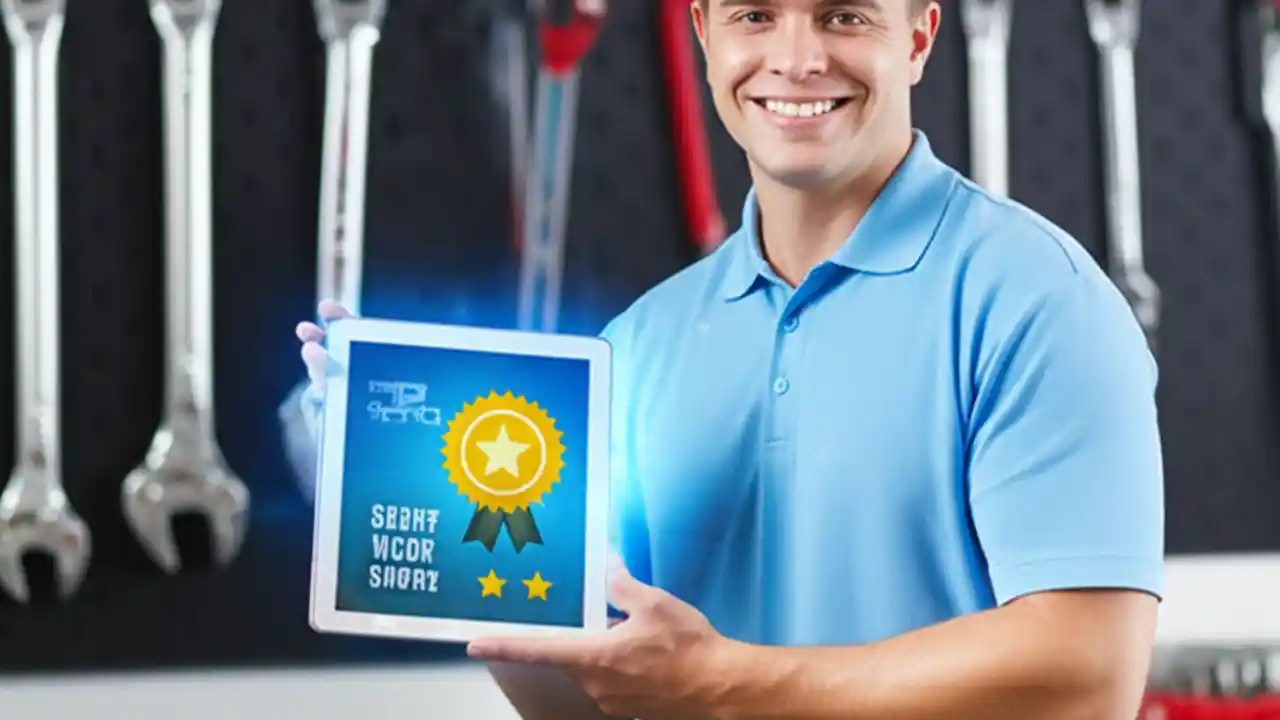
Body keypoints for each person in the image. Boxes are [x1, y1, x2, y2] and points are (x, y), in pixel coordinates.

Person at [292, 0, 1165, 717]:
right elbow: (598, 699)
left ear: (918, 37)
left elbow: (1088, 678)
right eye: (755, 15)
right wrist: (422, 508)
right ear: (704, 34)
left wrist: (722, 682)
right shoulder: (639, 343)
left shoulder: (1039, 303)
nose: (797, 59)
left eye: (845, 17)